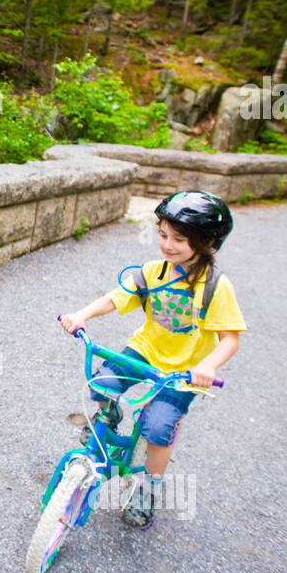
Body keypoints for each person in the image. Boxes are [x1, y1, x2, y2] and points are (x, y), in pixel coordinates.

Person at [59, 190, 246, 530]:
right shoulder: (153, 272)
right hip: (145, 350)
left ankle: (148, 488)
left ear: (207, 243)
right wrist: (82, 314)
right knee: (102, 383)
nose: (167, 245)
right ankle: (109, 415)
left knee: (158, 428)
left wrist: (208, 366)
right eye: (162, 235)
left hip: (183, 370)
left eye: (179, 239)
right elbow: (116, 299)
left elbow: (230, 339)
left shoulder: (216, 287)